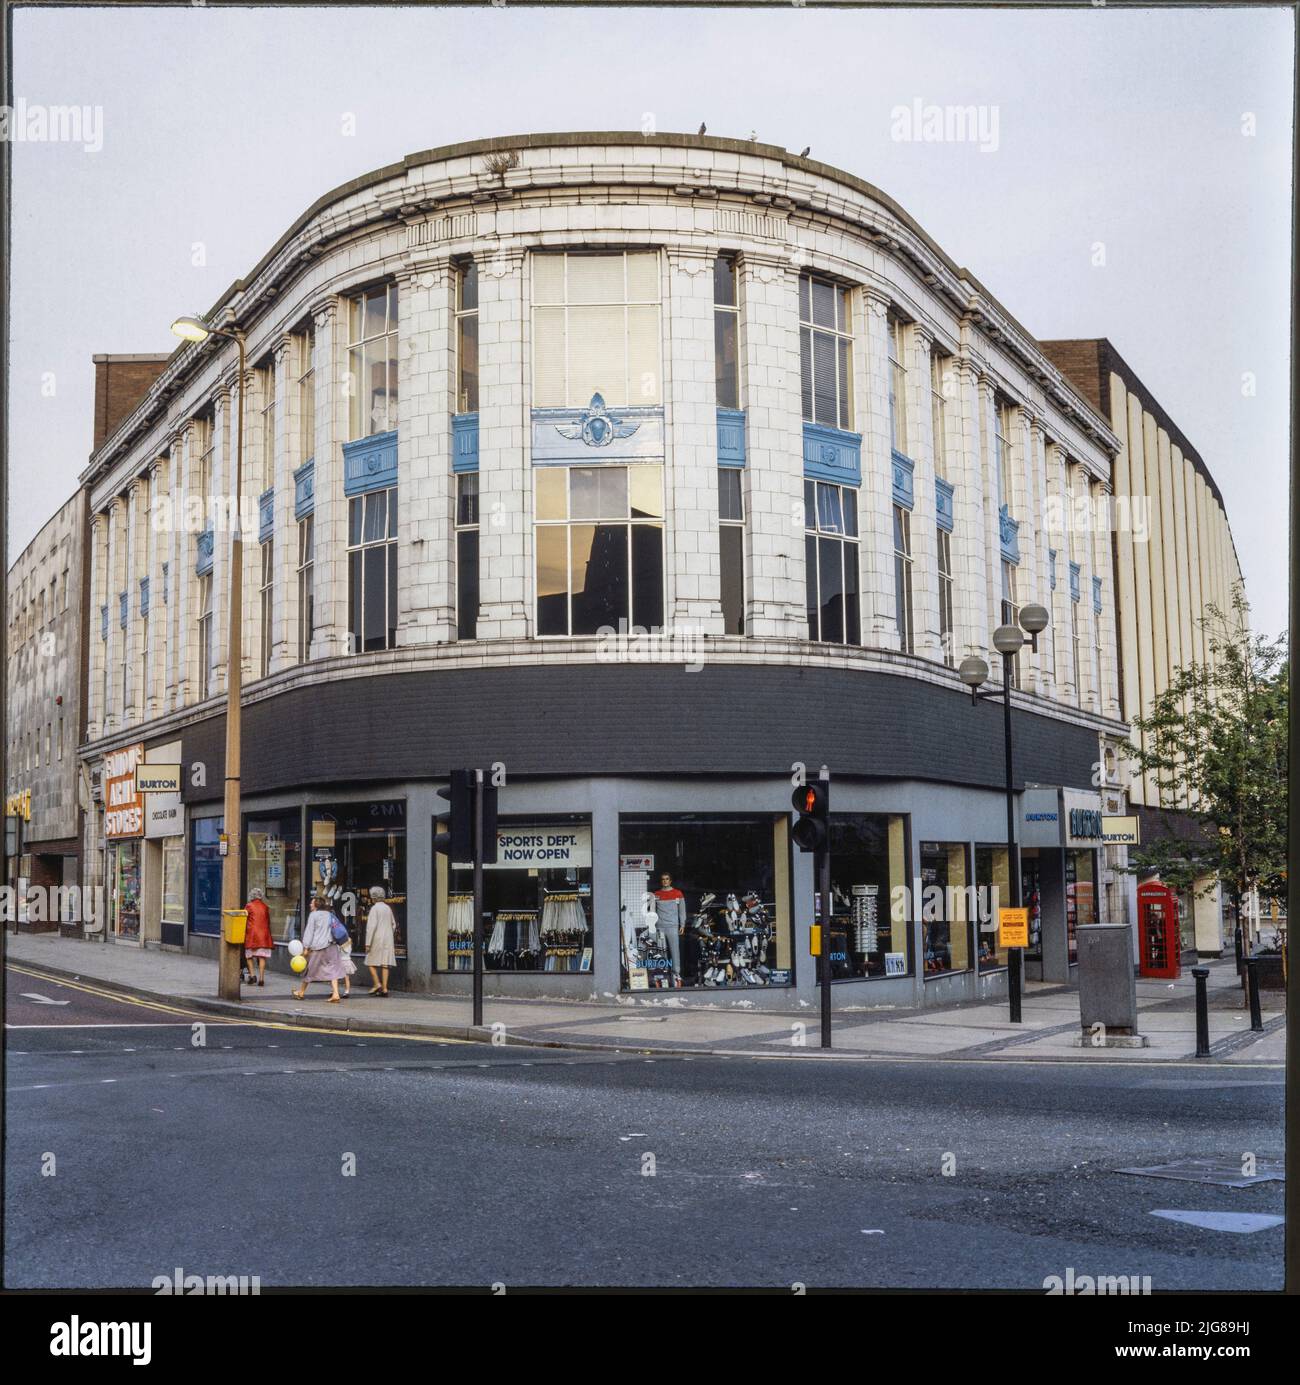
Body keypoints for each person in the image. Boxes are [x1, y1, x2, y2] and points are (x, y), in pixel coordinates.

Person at [292, 895, 354, 1004]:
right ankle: (335, 994)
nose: (310, 904)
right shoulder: (329, 914)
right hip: (332, 946)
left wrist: (306, 947)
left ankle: (301, 992)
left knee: (310, 970)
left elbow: (309, 932)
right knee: (333, 969)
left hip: (319, 947)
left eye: (312, 903)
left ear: (316, 905)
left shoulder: (313, 915)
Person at [652, 872, 687, 983]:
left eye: (667, 879)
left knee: (674, 951)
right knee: (662, 952)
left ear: (670, 881)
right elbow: (652, 912)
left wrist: (682, 924)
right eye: (663, 879)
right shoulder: (656, 895)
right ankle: (664, 974)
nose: (665, 881)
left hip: (672, 927)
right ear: (661, 881)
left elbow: (682, 911)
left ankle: (676, 974)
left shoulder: (678, 893)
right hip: (659, 927)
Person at [364, 886, 398, 996]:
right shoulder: (388, 908)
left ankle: (377, 984)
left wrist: (368, 943)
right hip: (388, 939)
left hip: (377, 938)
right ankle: (385, 989)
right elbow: (393, 924)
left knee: (369, 961)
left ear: (374, 897)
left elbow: (371, 927)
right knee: (385, 964)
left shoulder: (374, 909)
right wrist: (389, 933)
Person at [243, 887, 274, 987]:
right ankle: (261, 978)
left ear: (251, 896)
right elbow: (268, 921)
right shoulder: (265, 907)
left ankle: (252, 976)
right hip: (264, 935)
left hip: (252, 935)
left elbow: (243, 919)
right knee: (262, 957)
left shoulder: (249, 906)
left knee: (249, 956)